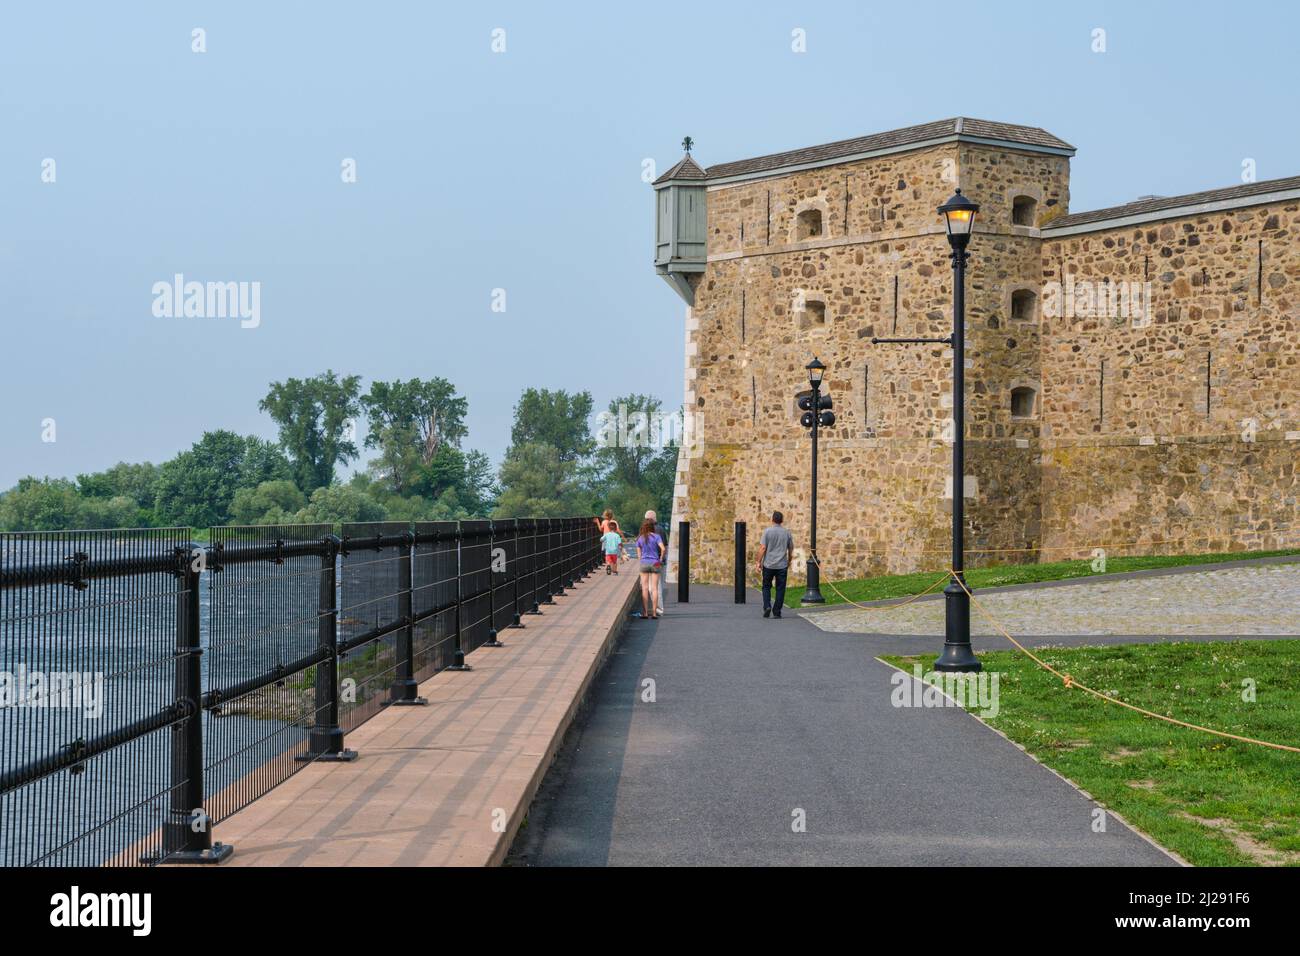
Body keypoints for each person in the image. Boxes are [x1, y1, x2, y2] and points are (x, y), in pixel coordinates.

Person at [756, 510, 794, 619]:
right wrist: (789, 560)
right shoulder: (787, 533)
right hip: (782, 565)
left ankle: (767, 606)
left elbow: (763, 548)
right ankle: (777, 611)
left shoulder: (767, 532)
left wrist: (758, 562)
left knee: (766, 586)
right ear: (781, 520)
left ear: (772, 519)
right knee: (780, 588)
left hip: (768, 565)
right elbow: (791, 549)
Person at [634, 517, 665, 619]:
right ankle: (655, 613)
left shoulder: (640, 538)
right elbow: (663, 549)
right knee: (655, 589)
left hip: (644, 563)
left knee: (645, 588)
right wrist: (660, 559)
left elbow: (638, 554)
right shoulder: (656, 537)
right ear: (652, 527)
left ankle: (645, 612)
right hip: (655, 562)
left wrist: (642, 560)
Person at [645, 509, 665, 612]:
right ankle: (657, 608)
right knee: (657, 586)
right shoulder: (661, 529)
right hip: (658, 561)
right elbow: (664, 546)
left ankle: (657, 608)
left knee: (651, 587)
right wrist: (662, 558)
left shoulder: (646, 531)